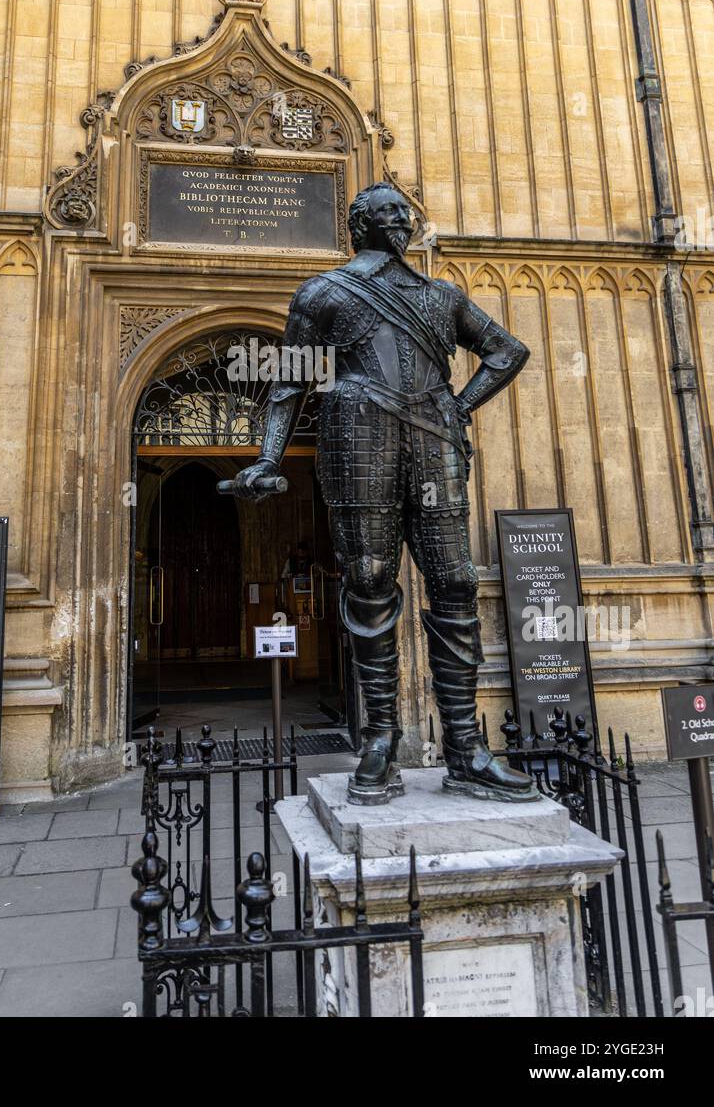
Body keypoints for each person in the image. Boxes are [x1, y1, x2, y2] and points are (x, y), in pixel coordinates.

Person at [226, 180, 535, 805]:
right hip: (357, 436)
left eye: (405, 213)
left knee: (453, 580)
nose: (400, 221)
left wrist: (459, 403)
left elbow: (507, 350)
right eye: (386, 213)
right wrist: (266, 458)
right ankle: (380, 738)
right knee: (368, 581)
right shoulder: (324, 293)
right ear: (358, 223)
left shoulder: (441, 296)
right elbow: (290, 384)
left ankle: (465, 748)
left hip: (432, 437)